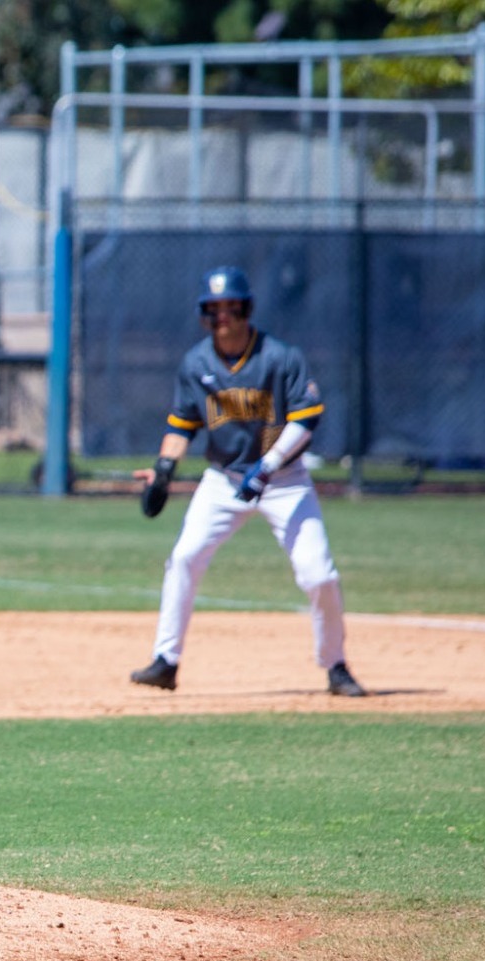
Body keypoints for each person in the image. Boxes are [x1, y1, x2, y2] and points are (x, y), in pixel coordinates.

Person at [130, 266, 368, 698]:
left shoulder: (278, 357)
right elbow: (181, 425)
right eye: (214, 308)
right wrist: (164, 469)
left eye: (231, 306)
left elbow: (306, 420)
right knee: (184, 558)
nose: (223, 316)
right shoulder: (196, 363)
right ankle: (166, 662)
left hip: (285, 480)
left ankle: (335, 665)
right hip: (224, 480)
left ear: (246, 308)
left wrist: (269, 465)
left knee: (319, 575)